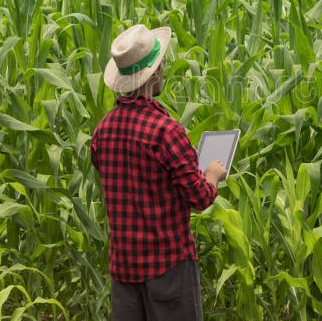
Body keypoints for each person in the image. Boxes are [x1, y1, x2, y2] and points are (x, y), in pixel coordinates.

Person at [90, 24, 228, 320]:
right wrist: (213, 174)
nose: (163, 68)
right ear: (153, 74)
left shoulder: (102, 131)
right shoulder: (166, 131)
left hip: (124, 272)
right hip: (168, 269)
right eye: (161, 63)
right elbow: (200, 196)